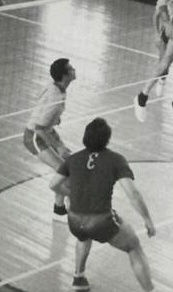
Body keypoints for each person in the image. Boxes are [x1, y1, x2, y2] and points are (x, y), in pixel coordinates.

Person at [50, 118, 156, 292]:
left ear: (85, 137)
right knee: (133, 246)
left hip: (75, 220)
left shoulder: (73, 159)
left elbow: (53, 185)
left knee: (83, 235)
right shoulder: (115, 159)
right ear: (107, 138)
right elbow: (133, 194)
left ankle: (78, 278)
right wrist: (148, 219)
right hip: (101, 221)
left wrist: (73, 194)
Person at [24, 58, 75, 218]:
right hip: (35, 136)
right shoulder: (55, 97)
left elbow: (41, 105)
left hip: (48, 130)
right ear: (65, 75)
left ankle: (59, 208)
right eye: (70, 68)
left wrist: (54, 118)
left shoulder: (57, 87)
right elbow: (39, 128)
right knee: (65, 171)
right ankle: (72, 202)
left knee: (67, 168)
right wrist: (58, 146)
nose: (74, 70)